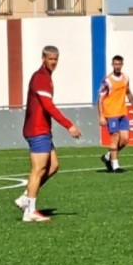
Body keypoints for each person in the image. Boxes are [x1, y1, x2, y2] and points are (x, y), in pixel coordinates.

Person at [14, 46, 82, 222]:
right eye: (50, 59)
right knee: (38, 169)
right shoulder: (41, 78)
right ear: (43, 58)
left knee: (53, 166)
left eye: (56, 59)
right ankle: (30, 211)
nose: (53, 62)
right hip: (37, 130)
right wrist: (69, 125)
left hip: (42, 129)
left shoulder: (46, 78)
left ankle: (25, 198)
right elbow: (48, 106)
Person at [98, 54, 133, 171]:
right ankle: (115, 165)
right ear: (112, 65)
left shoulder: (125, 77)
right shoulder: (107, 80)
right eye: (115, 64)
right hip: (111, 113)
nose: (117, 66)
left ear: (122, 65)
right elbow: (100, 98)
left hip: (122, 112)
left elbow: (128, 92)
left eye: (119, 64)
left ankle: (108, 156)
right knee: (115, 137)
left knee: (125, 139)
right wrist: (101, 116)